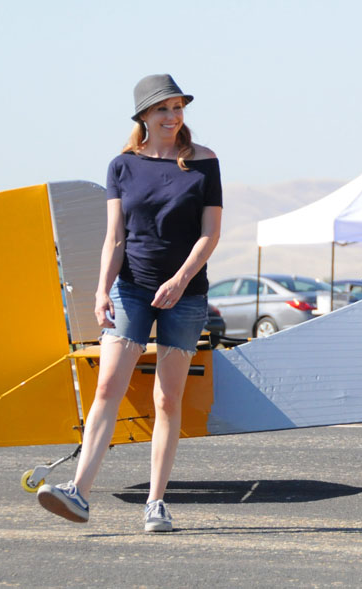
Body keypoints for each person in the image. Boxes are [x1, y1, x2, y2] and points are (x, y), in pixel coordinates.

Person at [36, 74, 222, 533]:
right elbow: (115, 237)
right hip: (131, 288)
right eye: (163, 109)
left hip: (186, 294)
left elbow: (210, 233)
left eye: (178, 107)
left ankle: (156, 504)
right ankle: (78, 493)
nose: (173, 116)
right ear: (143, 115)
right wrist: (102, 290)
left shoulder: (204, 162)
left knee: (167, 399)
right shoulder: (122, 166)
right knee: (106, 389)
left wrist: (180, 280)